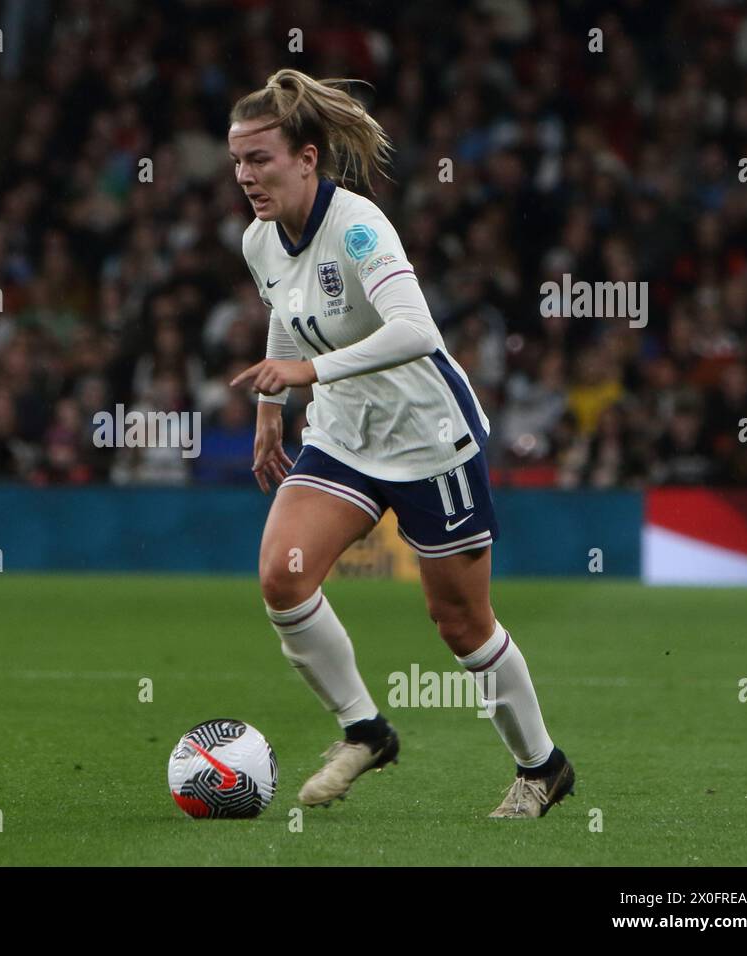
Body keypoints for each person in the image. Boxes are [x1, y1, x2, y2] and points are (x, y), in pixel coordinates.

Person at [228, 70, 574, 818]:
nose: (246, 176)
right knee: (283, 578)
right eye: (237, 161)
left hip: (428, 441)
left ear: (307, 158)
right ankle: (365, 729)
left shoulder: (357, 226)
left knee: (460, 624)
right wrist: (271, 409)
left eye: (260, 159)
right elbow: (285, 311)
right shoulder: (259, 239)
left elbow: (419, 332)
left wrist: (307, 371)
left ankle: (541, 766)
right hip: (343, 436)